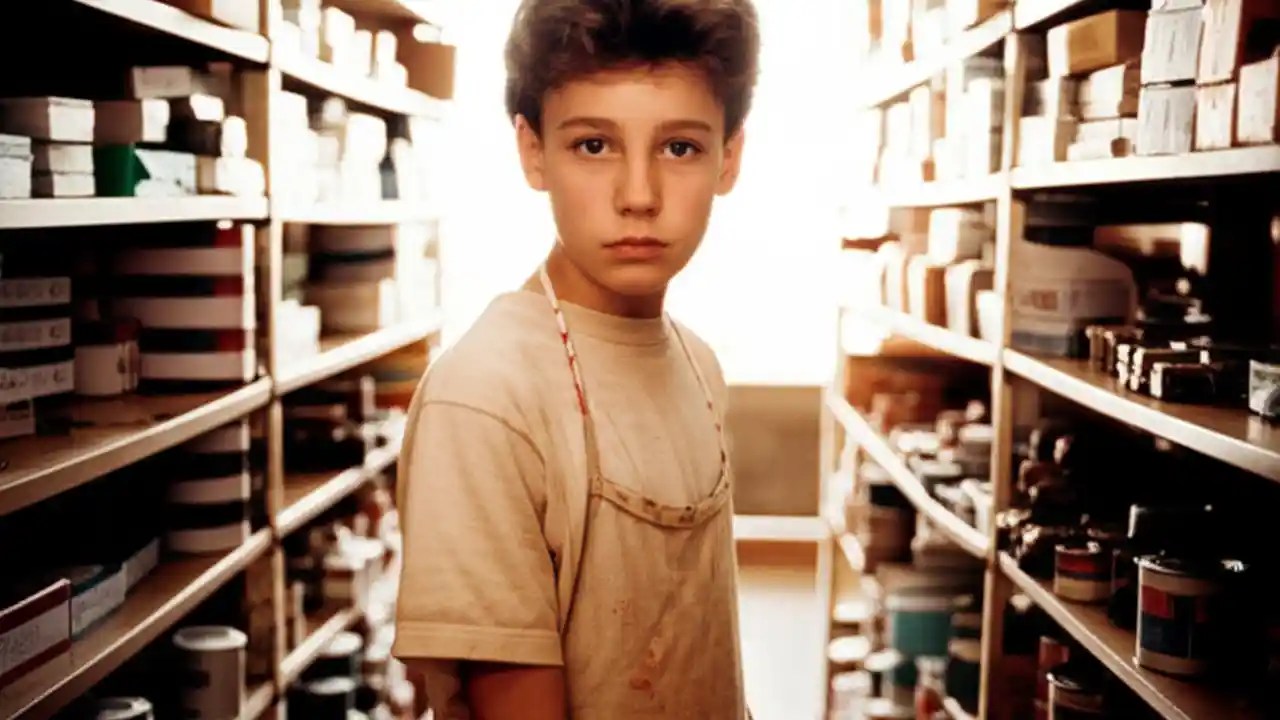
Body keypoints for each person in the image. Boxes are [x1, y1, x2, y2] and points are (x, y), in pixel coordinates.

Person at [392, 0, 760, 717]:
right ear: (533, 151)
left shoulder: (698, 363)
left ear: (730, 157)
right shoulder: (486, 398)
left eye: (679, 148)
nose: (638, 196)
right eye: (594, 145)